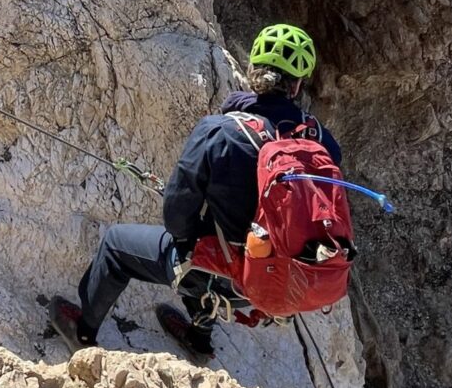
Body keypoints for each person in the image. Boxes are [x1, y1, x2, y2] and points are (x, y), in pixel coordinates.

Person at [50, 23, 341, 360]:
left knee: (120, 245)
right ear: (297, 86)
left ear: (252, 72)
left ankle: (82, 333)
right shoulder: (321, 143)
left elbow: (176, 218)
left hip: (226, 274)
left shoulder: (220, 131)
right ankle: (199, 339)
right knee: (213, 246)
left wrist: (192, 241)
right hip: (285, 282)